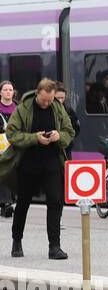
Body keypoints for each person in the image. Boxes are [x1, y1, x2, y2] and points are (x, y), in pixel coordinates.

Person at [0, 79, 75, 259]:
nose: (46, 103)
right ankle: (16, 241)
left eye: (49, 100)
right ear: (37, 94)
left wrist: (59, 136)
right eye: (43, 100)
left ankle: (54, 247)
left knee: (55, 202)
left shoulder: (57, 108)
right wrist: (35, 138)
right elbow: (12, 133)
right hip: (28, 163)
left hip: (51, 162)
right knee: (23, 203)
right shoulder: (24, 108)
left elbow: (69, 132)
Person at [0, 80, 15, 218]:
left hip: (15, 146)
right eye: (5, 89)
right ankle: (6, 203)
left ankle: (7, 202)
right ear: (0, 92)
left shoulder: (18, 109)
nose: (8, 92)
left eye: (10, 90)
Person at [52, 83, 80, 153]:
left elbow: (76, 128)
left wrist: (67, 138)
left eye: (62, 98)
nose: (60, 101)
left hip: (66, 147)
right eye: (58, 98)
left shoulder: (68, 110)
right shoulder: (46, 108)